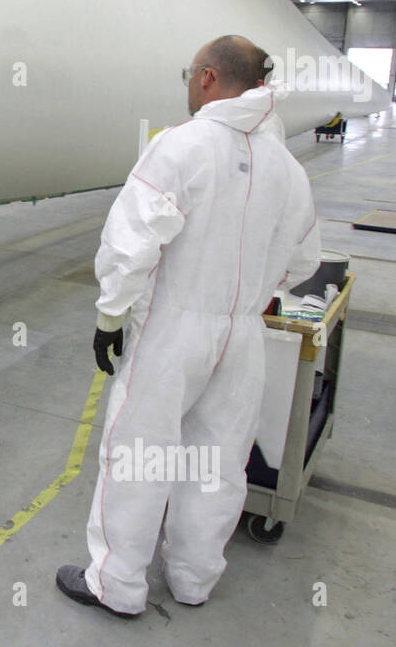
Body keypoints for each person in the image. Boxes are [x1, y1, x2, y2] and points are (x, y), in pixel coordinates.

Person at [56, 35, 321, 616]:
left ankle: (119, 585)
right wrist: (253, 293)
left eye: (188, 73)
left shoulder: (181, 146)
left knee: (140, 454)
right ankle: (193, 579)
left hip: (174, 332)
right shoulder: (286, 167)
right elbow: (304, 262)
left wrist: (110, 314)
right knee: (218, 459)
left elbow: (134, 240)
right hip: (243, 337)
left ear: (206, 77)